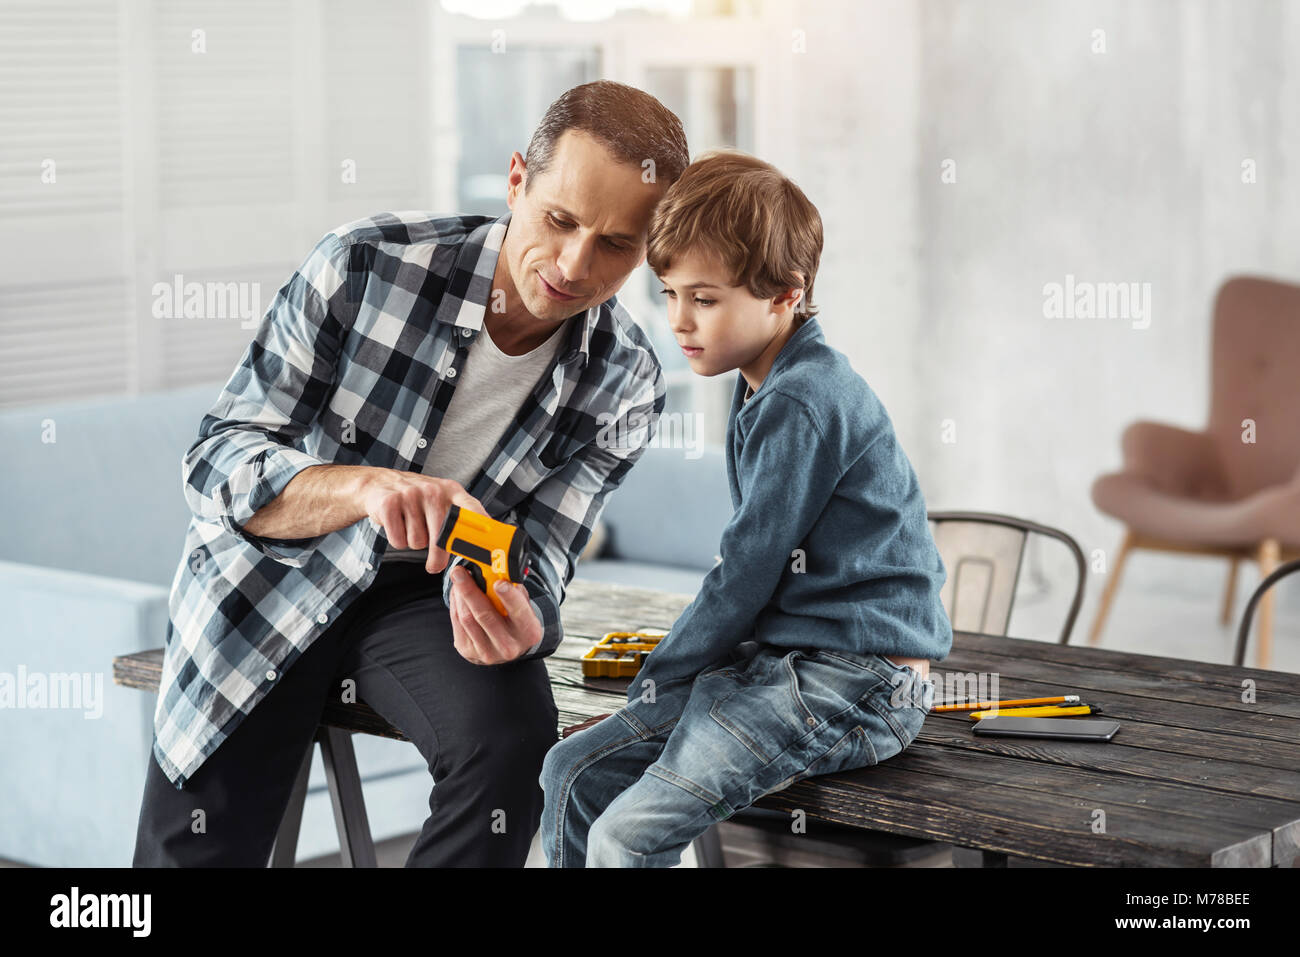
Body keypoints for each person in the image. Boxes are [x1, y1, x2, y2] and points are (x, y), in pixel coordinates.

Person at [132, 80, 689, 867]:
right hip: (272, 576)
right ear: (516, 181)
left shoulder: (626, 379)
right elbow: (217, 462)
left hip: (428, 598)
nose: (573, 264)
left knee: (514, 743)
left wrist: (528, 612)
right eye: (559, 220)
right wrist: (364, 486)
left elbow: (549, 550)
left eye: (615, 244)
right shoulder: (366, 264)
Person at [539, 149, 952, 867]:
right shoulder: (764, 379)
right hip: (782, 662)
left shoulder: (803, 398)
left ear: (785, 295)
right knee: (567, 772)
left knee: (622, 837)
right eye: (669, 293)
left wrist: (657, 682)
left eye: (704, 298)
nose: (679, 320)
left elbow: (746, 572)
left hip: (861, 680)